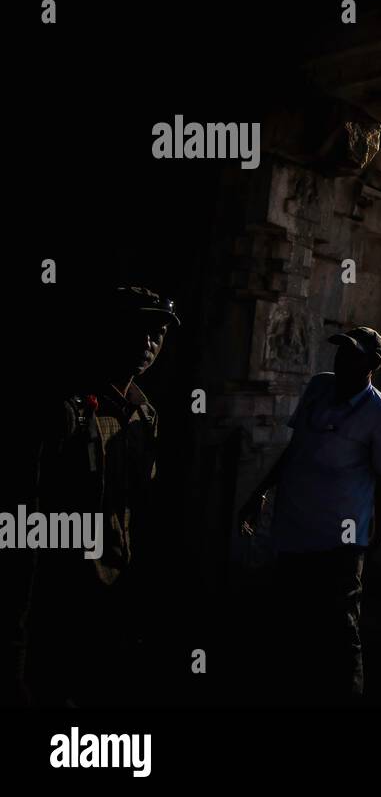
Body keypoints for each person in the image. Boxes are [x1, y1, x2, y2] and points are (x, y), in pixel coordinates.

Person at [22, 285, 180, 706]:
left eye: (158, 334)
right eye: (140, 330)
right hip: (67, 580)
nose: (149, 343)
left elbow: (143, 500)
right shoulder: (70, 408)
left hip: (121, 576)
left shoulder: (145, 413)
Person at [238, 326, 381, 704]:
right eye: (341, 350)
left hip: (340, 543)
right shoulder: (319, 387)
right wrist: (261, 490)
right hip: (295, 530)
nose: (342, 358)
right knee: (290, 624)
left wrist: (377, 538)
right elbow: (297, 449)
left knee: (341, 633)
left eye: (353, 353)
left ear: (373, 364)